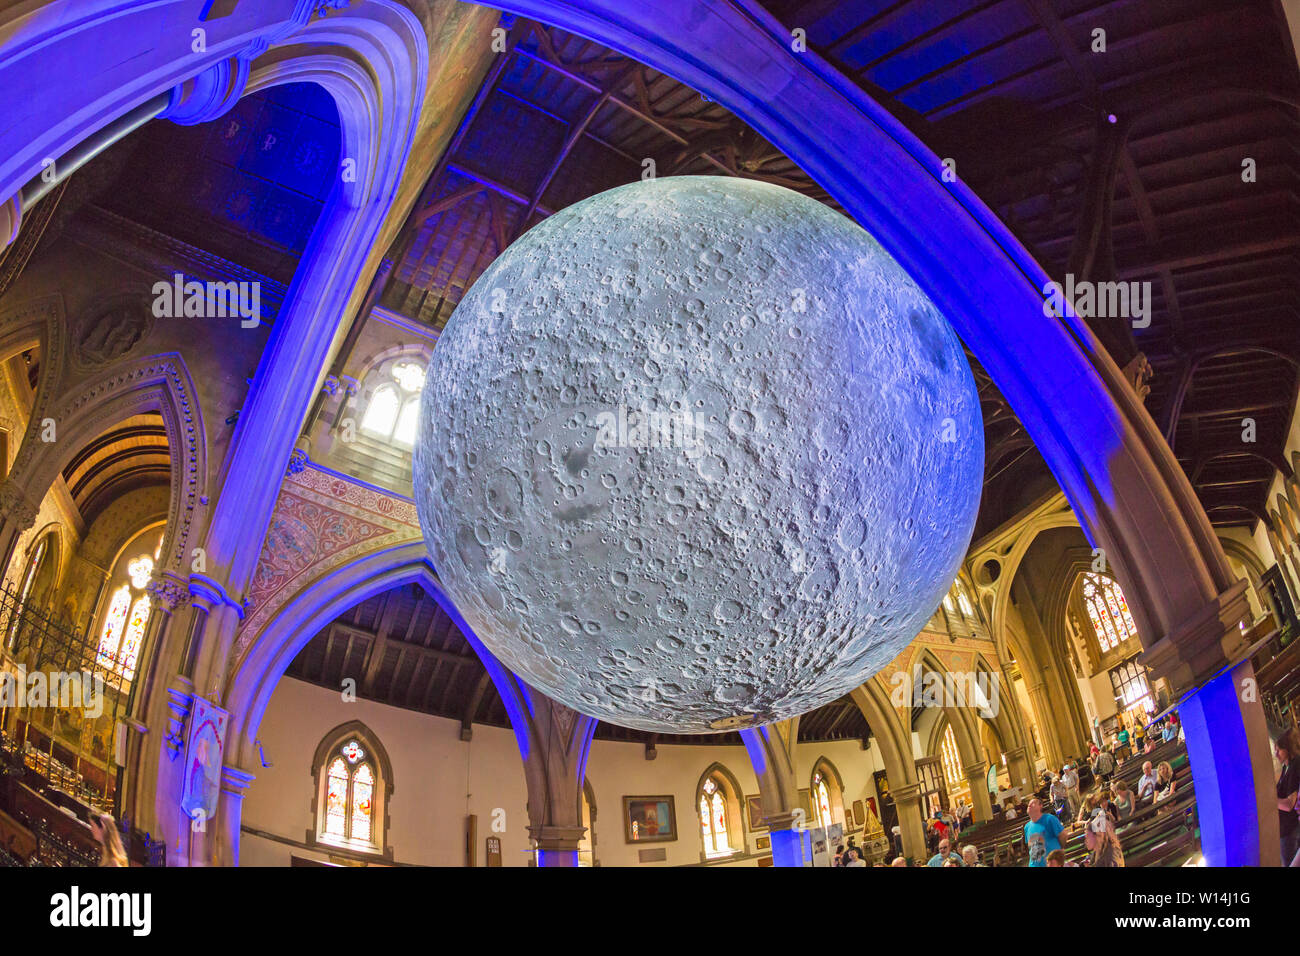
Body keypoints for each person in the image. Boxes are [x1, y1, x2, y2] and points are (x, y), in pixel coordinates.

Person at [1275, 731, 1300, 867]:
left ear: (1287, 748)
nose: (1276, 754)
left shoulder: (1296, 765)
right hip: (1286, 829)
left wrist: (1270, 799)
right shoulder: (1286, 767)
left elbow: (1290, 804)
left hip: (1291, 829)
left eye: (1279, 750)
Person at [1084, 792, 1125, 867]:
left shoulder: (1111, 806)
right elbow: (1092, 823)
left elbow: (1115, 821)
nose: (1104, 803)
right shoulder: (1096, 811)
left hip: (1111, 833)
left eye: (1105, 801)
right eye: (1102, 802)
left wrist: (1110, 815)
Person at [1023, 798, 1064, 868]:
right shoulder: (1027, 827)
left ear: (1040, 806)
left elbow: (1063, 835)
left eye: (1033, 803)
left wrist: (1059, 850)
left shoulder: (1049, 819)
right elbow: (1030, 847)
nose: (1029, 804)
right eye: (1028, 804)